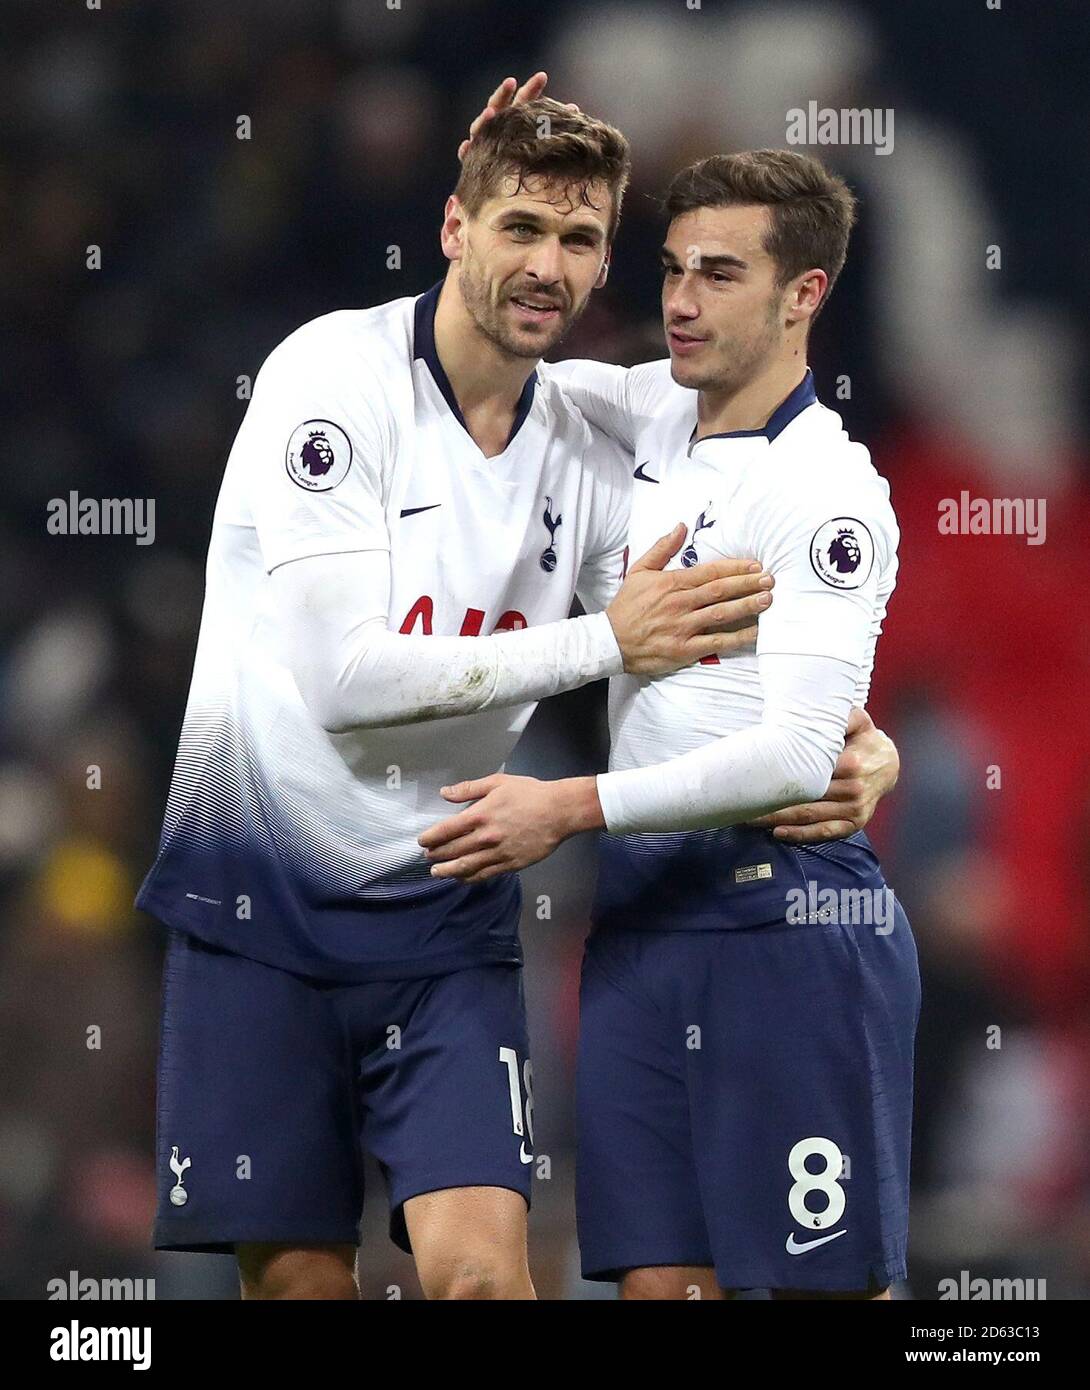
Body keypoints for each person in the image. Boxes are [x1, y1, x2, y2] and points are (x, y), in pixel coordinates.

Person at [136, 95, 792, 1300]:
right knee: (296, 1287)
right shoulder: (332, 378)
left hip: (445, 917)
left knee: (487, 1279)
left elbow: (685, 658)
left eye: (581, 239)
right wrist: (600, 640)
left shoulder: (591, 448)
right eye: (521, 225)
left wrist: (837, 744)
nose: (548, 265)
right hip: (254, 904)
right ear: (454, 226)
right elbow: (347, 683)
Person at [421, 83, 918, 1300]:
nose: (681, 302)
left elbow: (804, 756)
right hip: (644, 931)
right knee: (657, 1290)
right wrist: (495, 172)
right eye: (674, 268)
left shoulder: (829, 493)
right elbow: (473, 340)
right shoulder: (629, 413)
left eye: (722, 275)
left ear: (805, 296)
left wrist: (570, 808)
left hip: (789, 923)